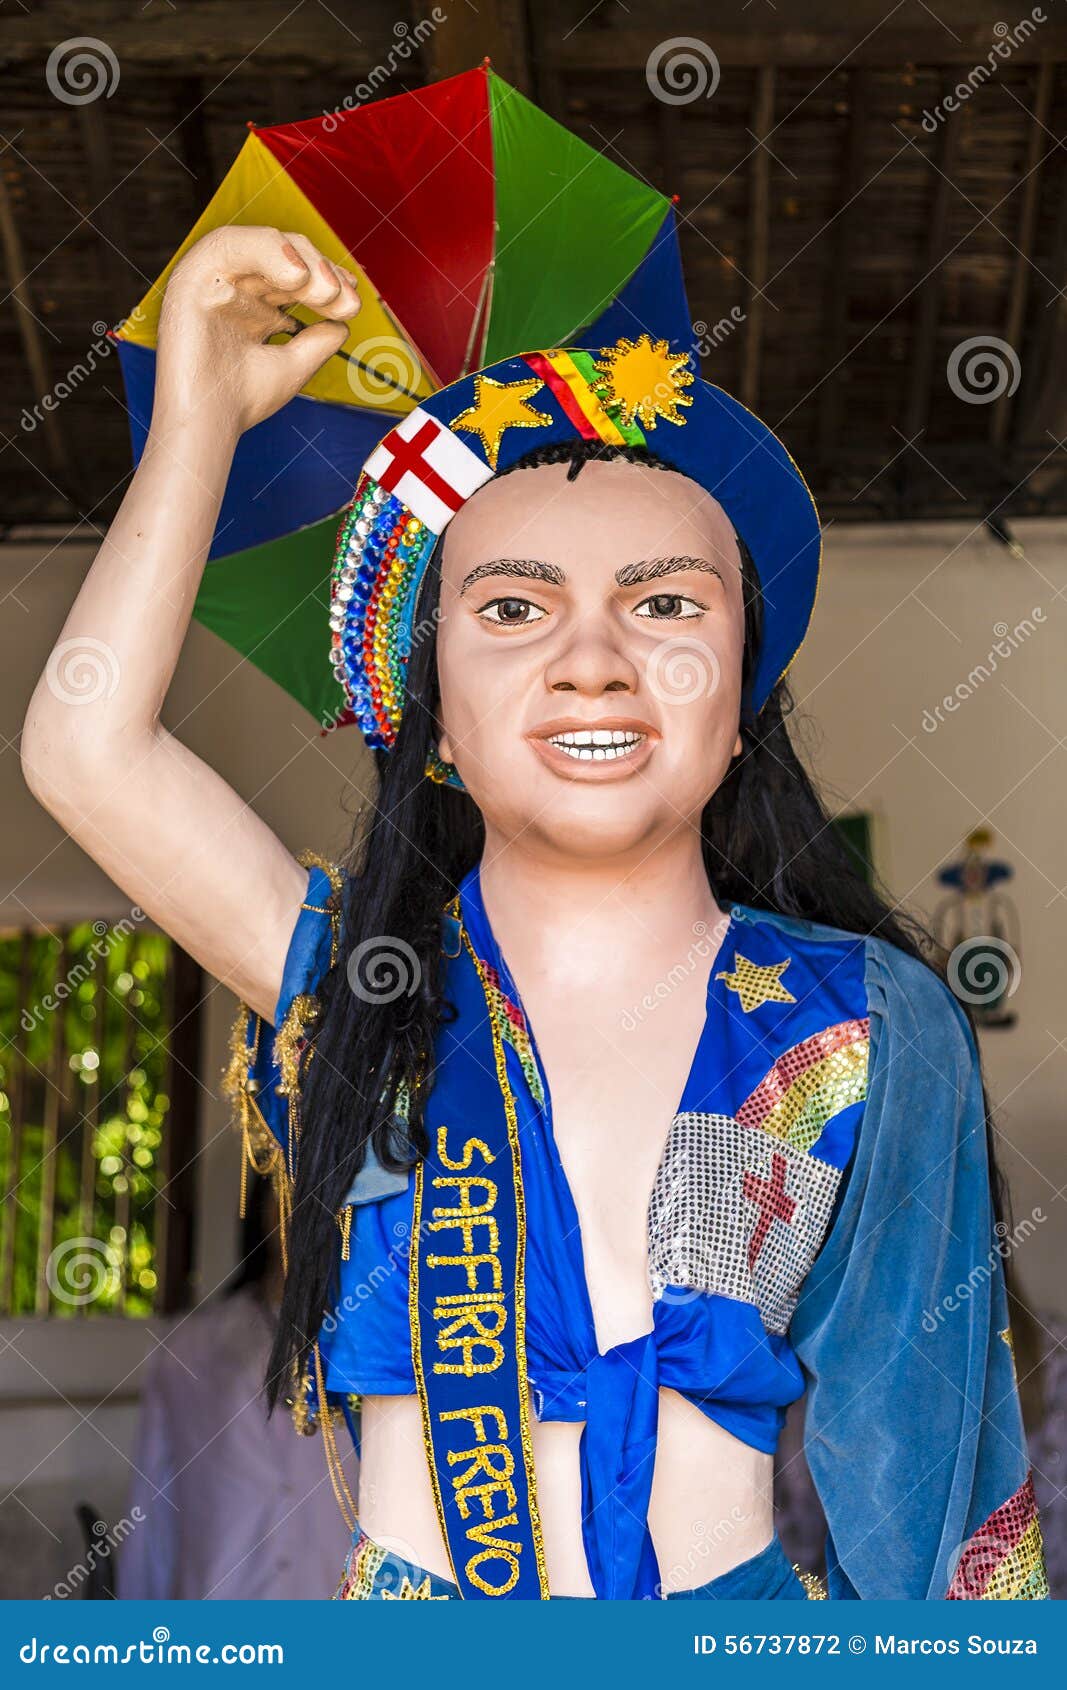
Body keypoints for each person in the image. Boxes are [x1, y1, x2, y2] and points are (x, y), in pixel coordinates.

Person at [21, 225, 1049, 1602]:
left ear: (737, 709)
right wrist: (196, 423)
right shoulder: (362, 988)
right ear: (433, 718)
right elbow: (86, 754)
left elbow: (933, 1490)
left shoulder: (854, 1017)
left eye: (663, 603)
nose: (590, 661)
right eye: (511, 607)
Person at [115, 1179, 356, 1600]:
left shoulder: (376, 1349)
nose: (300, 1213)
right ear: (260, 1208)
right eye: (284, 1190)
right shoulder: (189, 1349)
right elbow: (153, 1508)